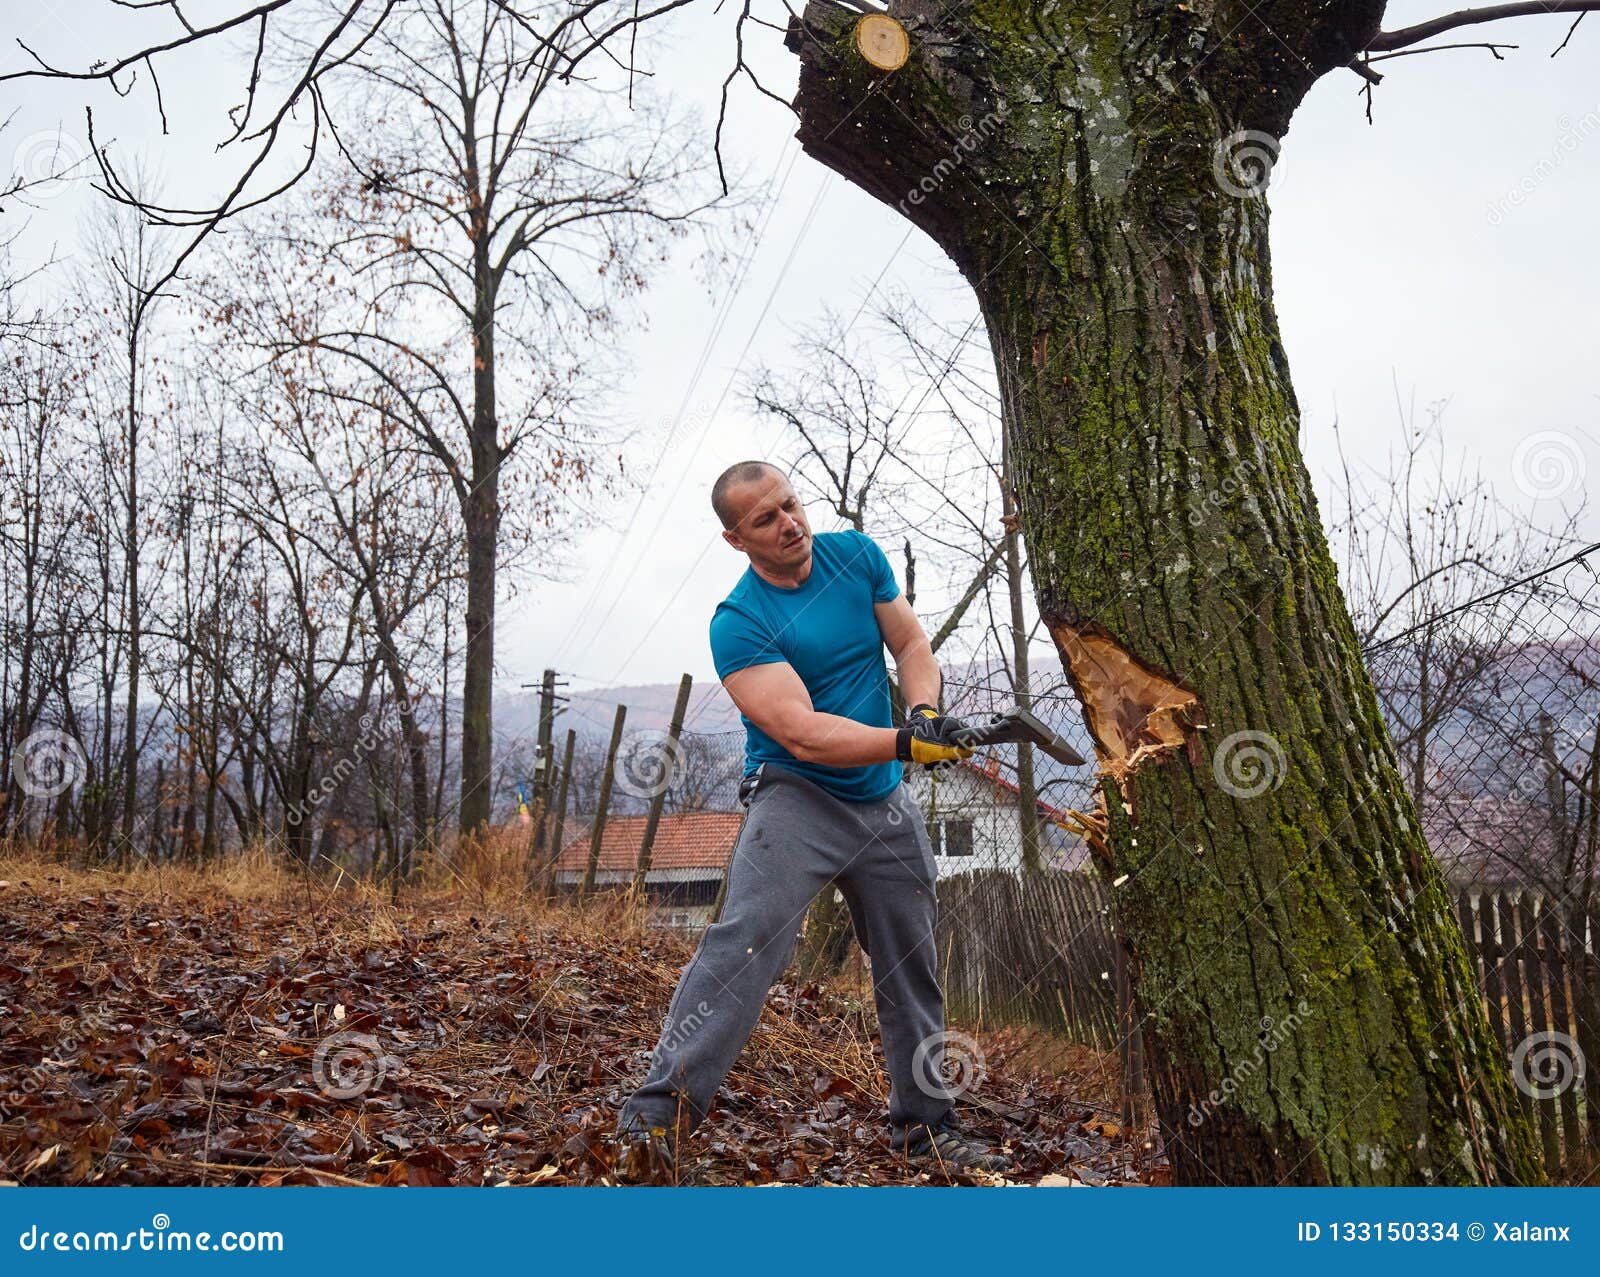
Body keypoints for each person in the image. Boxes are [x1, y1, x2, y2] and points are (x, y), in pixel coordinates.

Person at [614, 459, 1012, 1181]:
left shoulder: (854, 556)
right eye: (765, 519)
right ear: (737, 540)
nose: (789, 523)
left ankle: (927, 1129)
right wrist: (903, 740)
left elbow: (912, 645)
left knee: (910, 960)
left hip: (884, 799)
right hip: (795, 794)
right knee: (745, 945)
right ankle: (654, 1121)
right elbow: (799, 729)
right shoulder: (739, 623)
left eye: (790, 504)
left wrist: (921, 710)